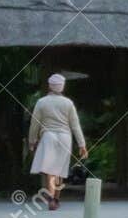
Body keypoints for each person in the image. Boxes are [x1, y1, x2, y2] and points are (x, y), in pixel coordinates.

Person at [28, 74, 87, 209]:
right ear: (62, 87)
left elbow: (34, 124)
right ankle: (56, 199)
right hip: (65, 137)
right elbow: (75, 125)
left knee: (50, 169)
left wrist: (32, 140)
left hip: (48, 137)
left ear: (50, 86)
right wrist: (82, 144)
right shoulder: (68, 103)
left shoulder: (41, 102)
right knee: (60, 169)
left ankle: (51, 198)